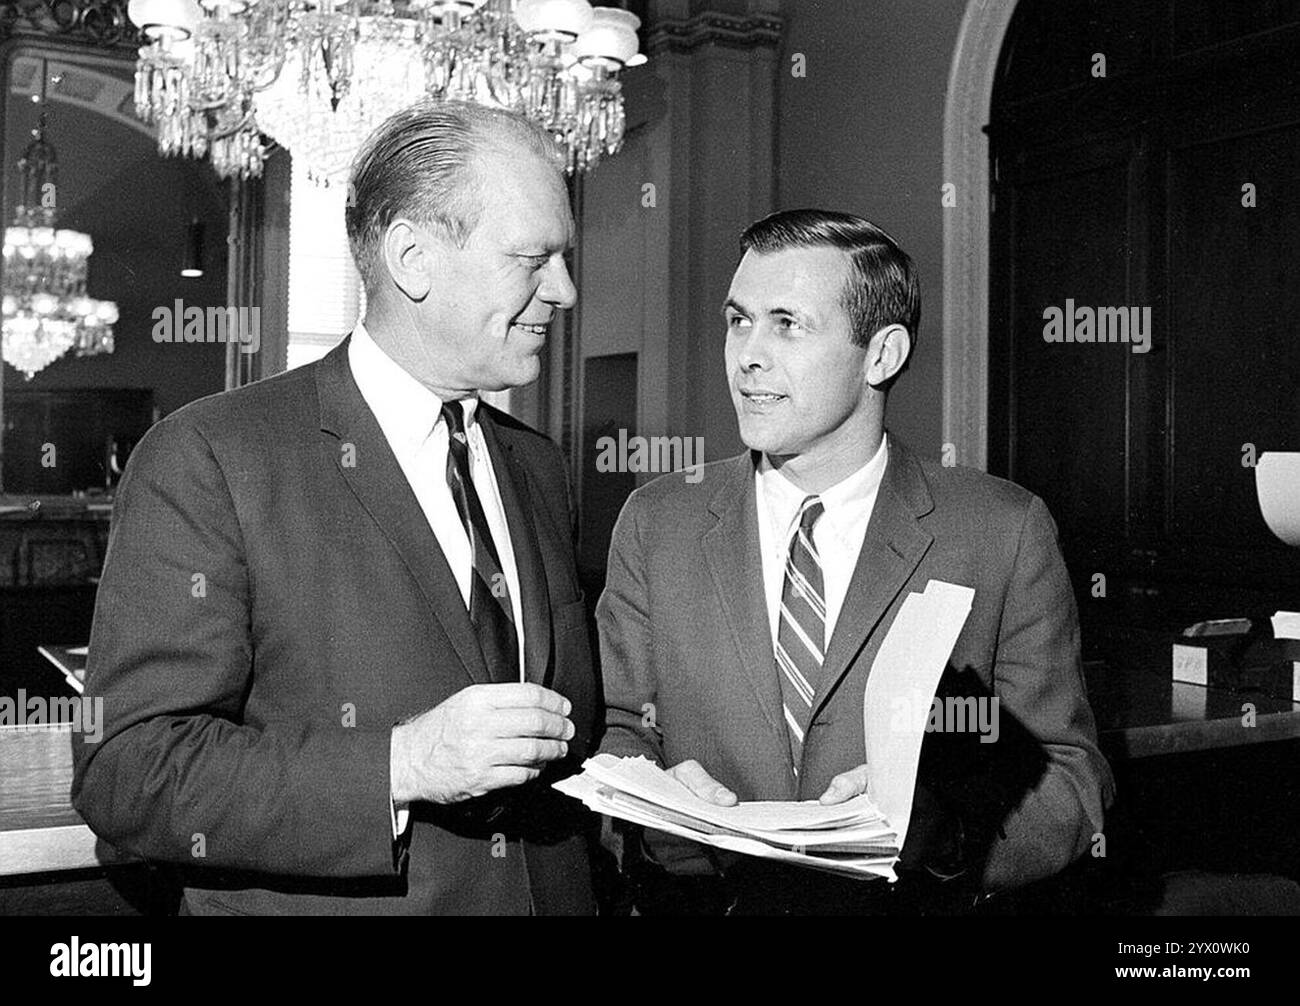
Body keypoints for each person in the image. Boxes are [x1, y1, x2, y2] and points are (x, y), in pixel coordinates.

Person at [72, 101, 597, 915]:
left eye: (563, 257)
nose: (563, 290)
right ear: (412, 258)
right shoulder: (210, 459)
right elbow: (130, 772)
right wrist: (401, 764)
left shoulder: (539, 468)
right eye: (533, 258)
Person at [596, 208, 1114, 914]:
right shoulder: (658, 521)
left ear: (882, 354)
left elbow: (1071, 778)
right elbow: (621, 730)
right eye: (737, 319)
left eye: (787, 323)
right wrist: (657, 809)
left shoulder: (1001, 531)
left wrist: (947, 838)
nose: (747, 353)